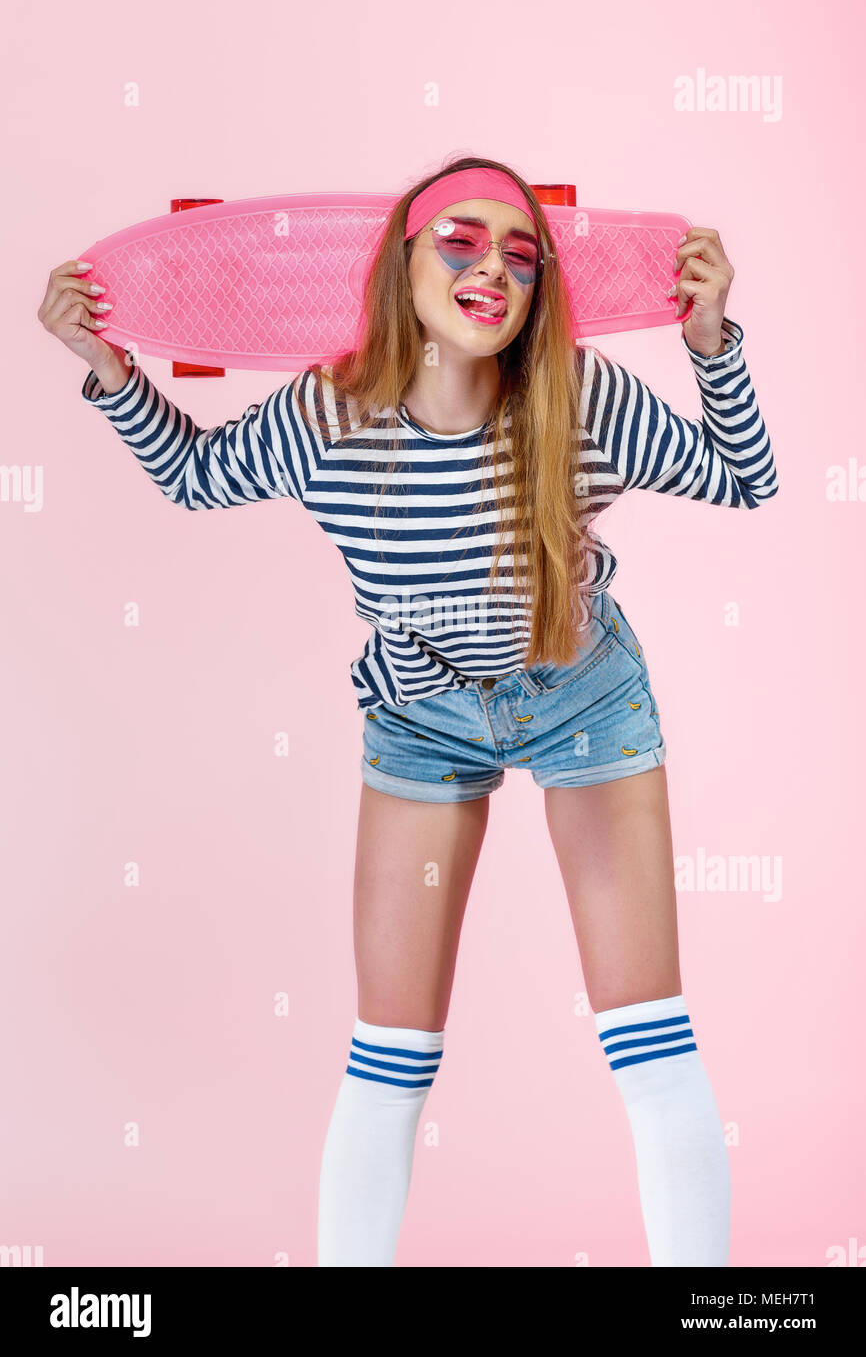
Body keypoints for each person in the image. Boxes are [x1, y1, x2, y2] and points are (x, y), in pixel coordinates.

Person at [38, 155, 778, 1267]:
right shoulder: (327, 414)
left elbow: (743, 474)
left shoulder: (574, 397)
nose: (494, 269)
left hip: (582, 697)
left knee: (649, 1044)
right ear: (400, 262)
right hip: (421, 718)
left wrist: (710, 337)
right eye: (461, 241)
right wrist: (105, 369)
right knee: (389, 1053)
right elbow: (194, 476)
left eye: (522, 256)